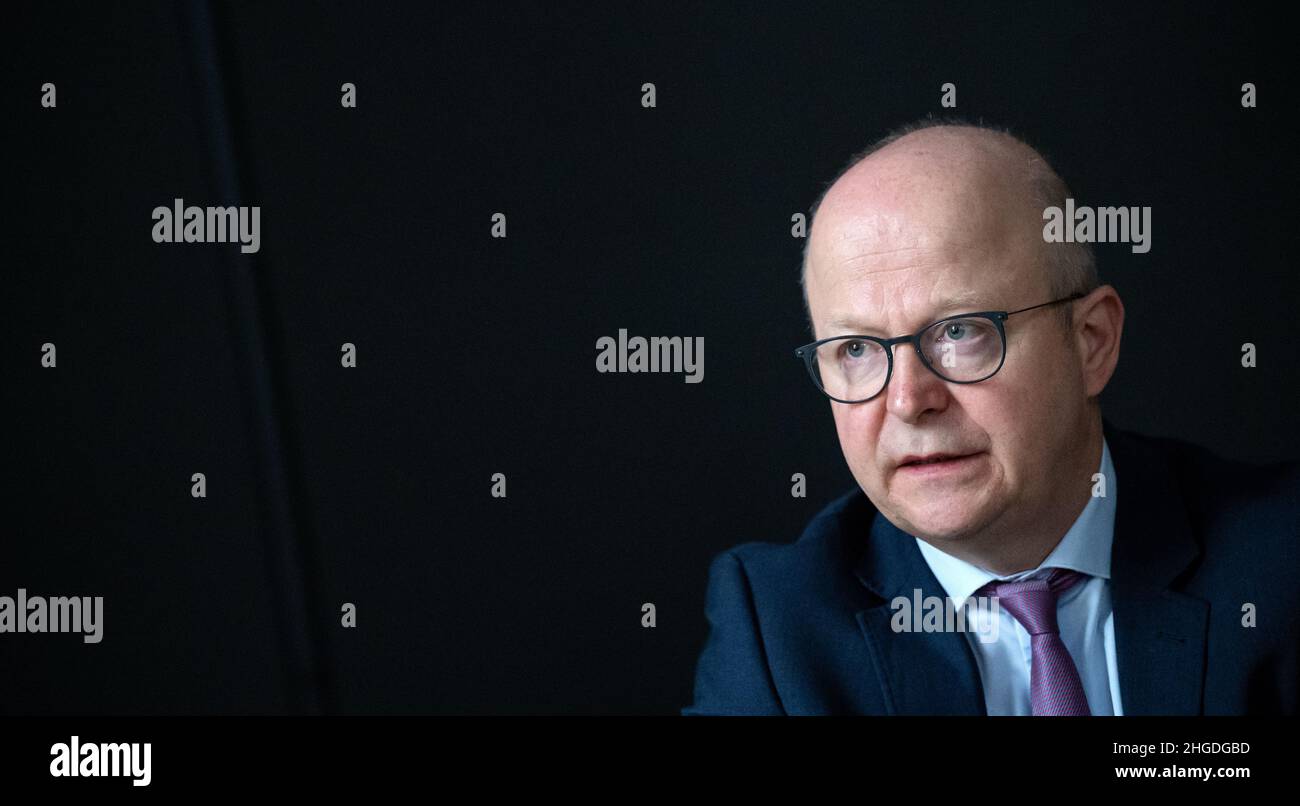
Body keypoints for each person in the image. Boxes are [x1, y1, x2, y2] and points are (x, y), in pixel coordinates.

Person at [682, 120, 1300, 715]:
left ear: (1092, 342)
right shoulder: (776, 627)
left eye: (960, 331)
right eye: (857, 350)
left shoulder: (1278, 561)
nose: (907, 400)